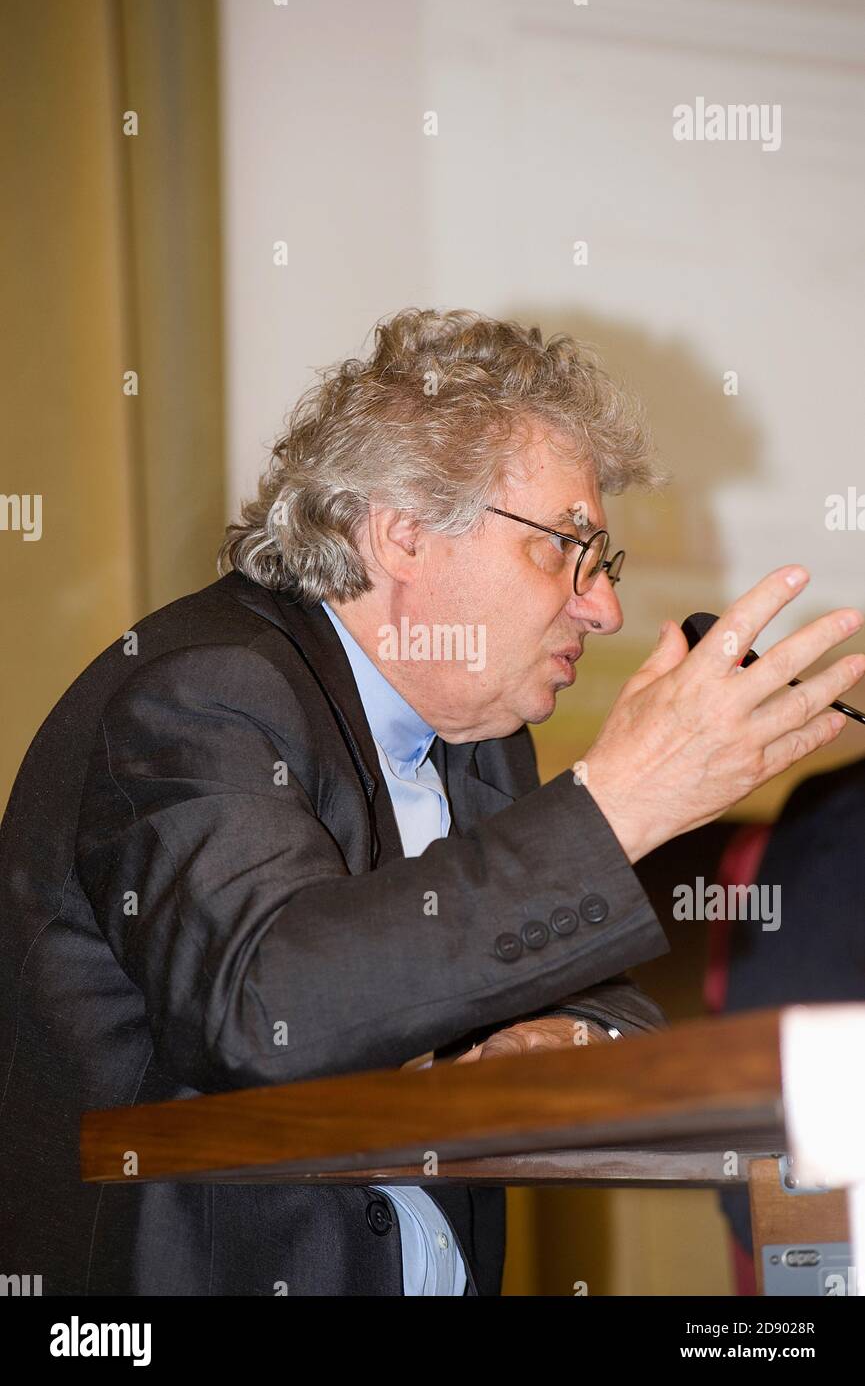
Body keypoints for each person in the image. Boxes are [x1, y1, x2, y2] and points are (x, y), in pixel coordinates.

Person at [1, 308, 862, 1296]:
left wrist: (565, 1037)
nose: (604, 607)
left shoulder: (481, 745)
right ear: (402, 532)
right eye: (563, 549)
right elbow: (265, 1006)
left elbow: (589, 992)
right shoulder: (201, 691)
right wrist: (615, 806)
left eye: (604, 563)